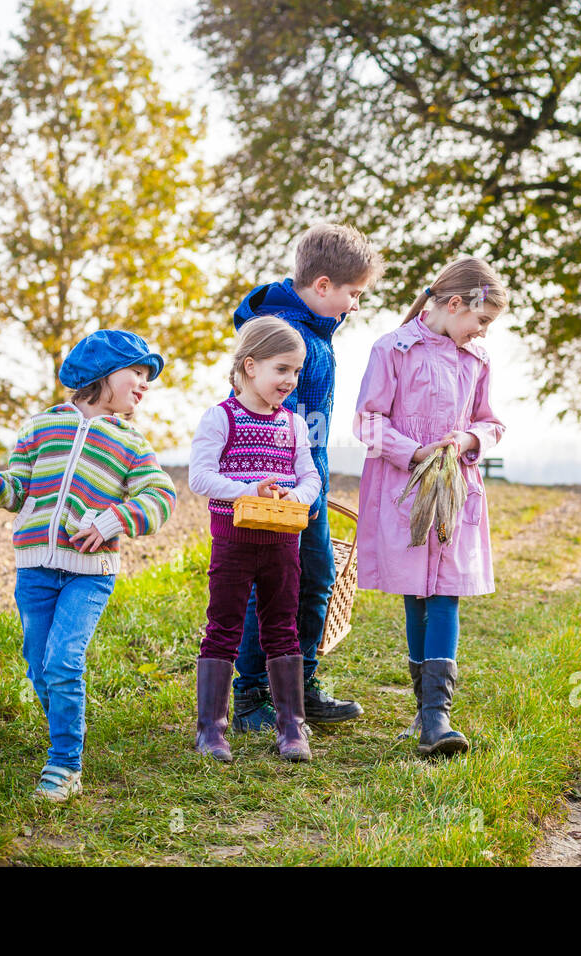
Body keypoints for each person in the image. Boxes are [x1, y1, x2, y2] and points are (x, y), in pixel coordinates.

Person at [0, 330, 176, 801]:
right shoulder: (40, 428)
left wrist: (115, 519)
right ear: (101, 374)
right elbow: (15, 488)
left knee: (65, 662)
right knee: (40, 666)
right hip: (35, 570)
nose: (145, 384)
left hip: (90, 575)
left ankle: (65, 763)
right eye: (137, 372)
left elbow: (162, 496)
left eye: (148, 376)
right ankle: (66, 726)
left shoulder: (130, 441)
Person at [229, 223, 383, 732]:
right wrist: (289, 483)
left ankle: (301, 684)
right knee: (268, 587)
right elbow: (276, 417)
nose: (355, 305)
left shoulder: (317, 330)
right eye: (353, 294)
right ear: (322, 286)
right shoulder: (285, 335)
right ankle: (251, 694)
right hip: (278, 488)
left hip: (309, 482)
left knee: (316, 579)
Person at [351, 256, 508, 757]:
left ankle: (438, 715)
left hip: (454, 490)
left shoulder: (477, 360)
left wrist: (467, 438)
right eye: (480, 321)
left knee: (445, 592)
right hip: (404, 490)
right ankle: (424, 714)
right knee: (414, 594)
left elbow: (492, 422)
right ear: (456, 303)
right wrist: (413, 453)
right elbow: (368, 422)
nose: (481, 332)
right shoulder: (391, 350)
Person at [189, 317, 322, 762]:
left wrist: (293, 496)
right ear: (250, 366)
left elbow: (311, 478)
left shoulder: (294, 425)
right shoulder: (221, 417)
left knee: (282, 626)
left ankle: (292, 728)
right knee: (223, 626)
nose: (291, 380)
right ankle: (211, 729)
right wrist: (250, 489)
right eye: (282, 369)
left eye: (297, 371)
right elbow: (200, 476)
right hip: (233, 541)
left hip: (282, 544)